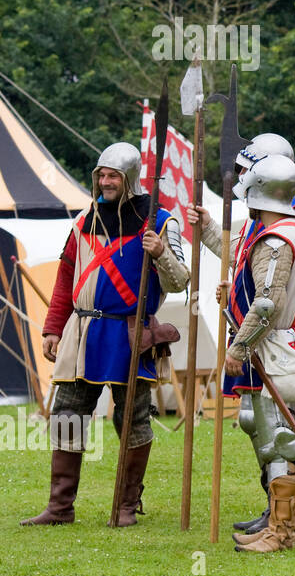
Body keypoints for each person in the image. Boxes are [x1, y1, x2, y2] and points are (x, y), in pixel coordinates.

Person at [22, 142, 189, 527]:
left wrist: (161, 251)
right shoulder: (85, 220)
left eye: (112, 175)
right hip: (83, 333)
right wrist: (52, 328)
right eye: (101, 174)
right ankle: (60, 507)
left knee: (132, 420)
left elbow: (180, 281)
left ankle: (127, 505)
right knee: (67, 413)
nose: (105, 181)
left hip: (130, 334)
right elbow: (66, 277)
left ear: (129, 178)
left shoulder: (161, 222)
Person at [188, 132, 295, 536]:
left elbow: (270, 296)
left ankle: (282, 520)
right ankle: (274, 510)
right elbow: (247, 259)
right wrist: (212, 230)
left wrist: (241, 341)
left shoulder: (290, 224)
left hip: (276, 341)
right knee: (257, 422)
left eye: (250, 170)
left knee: (280, 431)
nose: (242, 177)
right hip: (262, 339)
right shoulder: (270, 219)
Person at [221, 155, 295, 553]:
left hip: (274, 348)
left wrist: (240, 346)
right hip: (287, 345)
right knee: (277, 439)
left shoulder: (276, 239)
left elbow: (266, 304)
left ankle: (280, 533)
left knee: (279, 442)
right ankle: (275, 526)